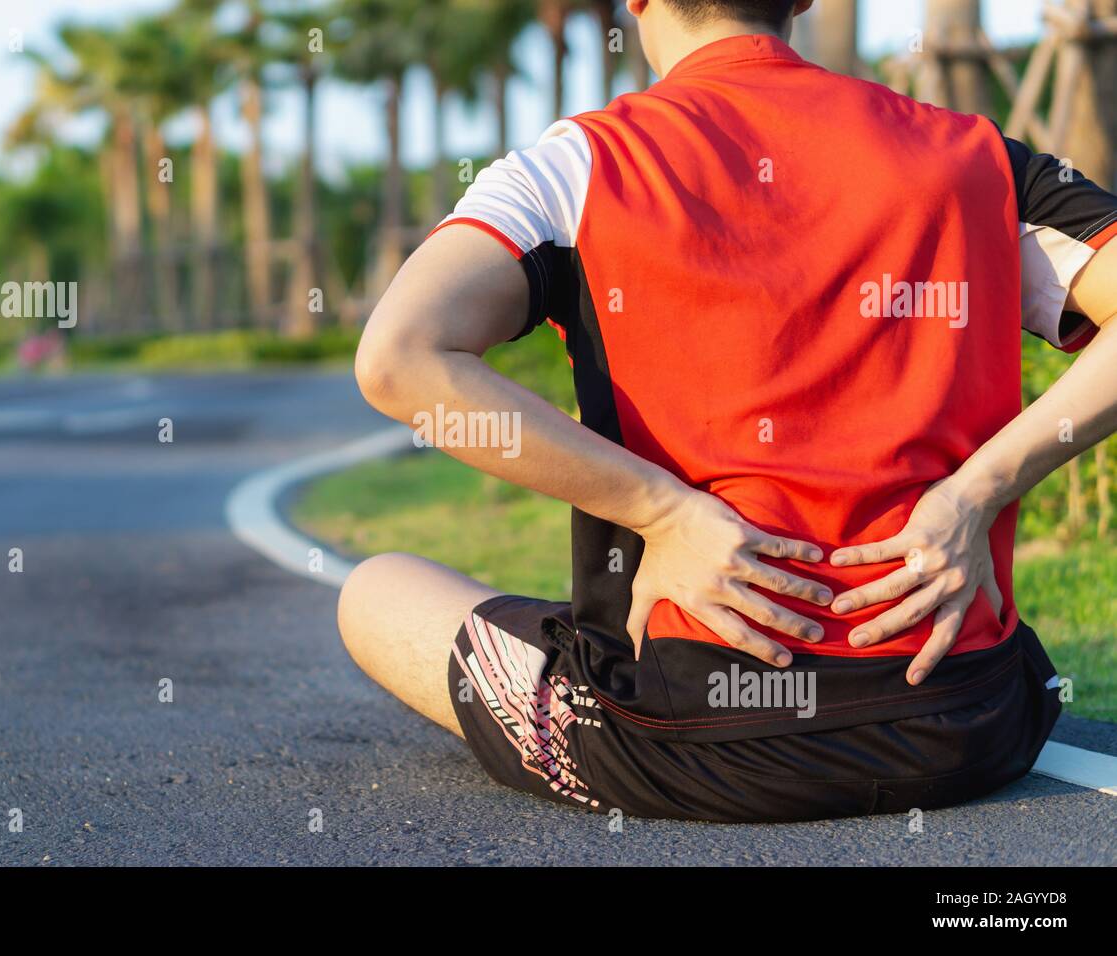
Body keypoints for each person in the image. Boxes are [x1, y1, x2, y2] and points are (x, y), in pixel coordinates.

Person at [337, 0, 1117, 821]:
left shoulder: (573, 168)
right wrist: (976, 491)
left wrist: (664, 514)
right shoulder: (973, 157)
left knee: (374, 589)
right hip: (965, 726)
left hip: (683, 743)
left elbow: (398, 359)